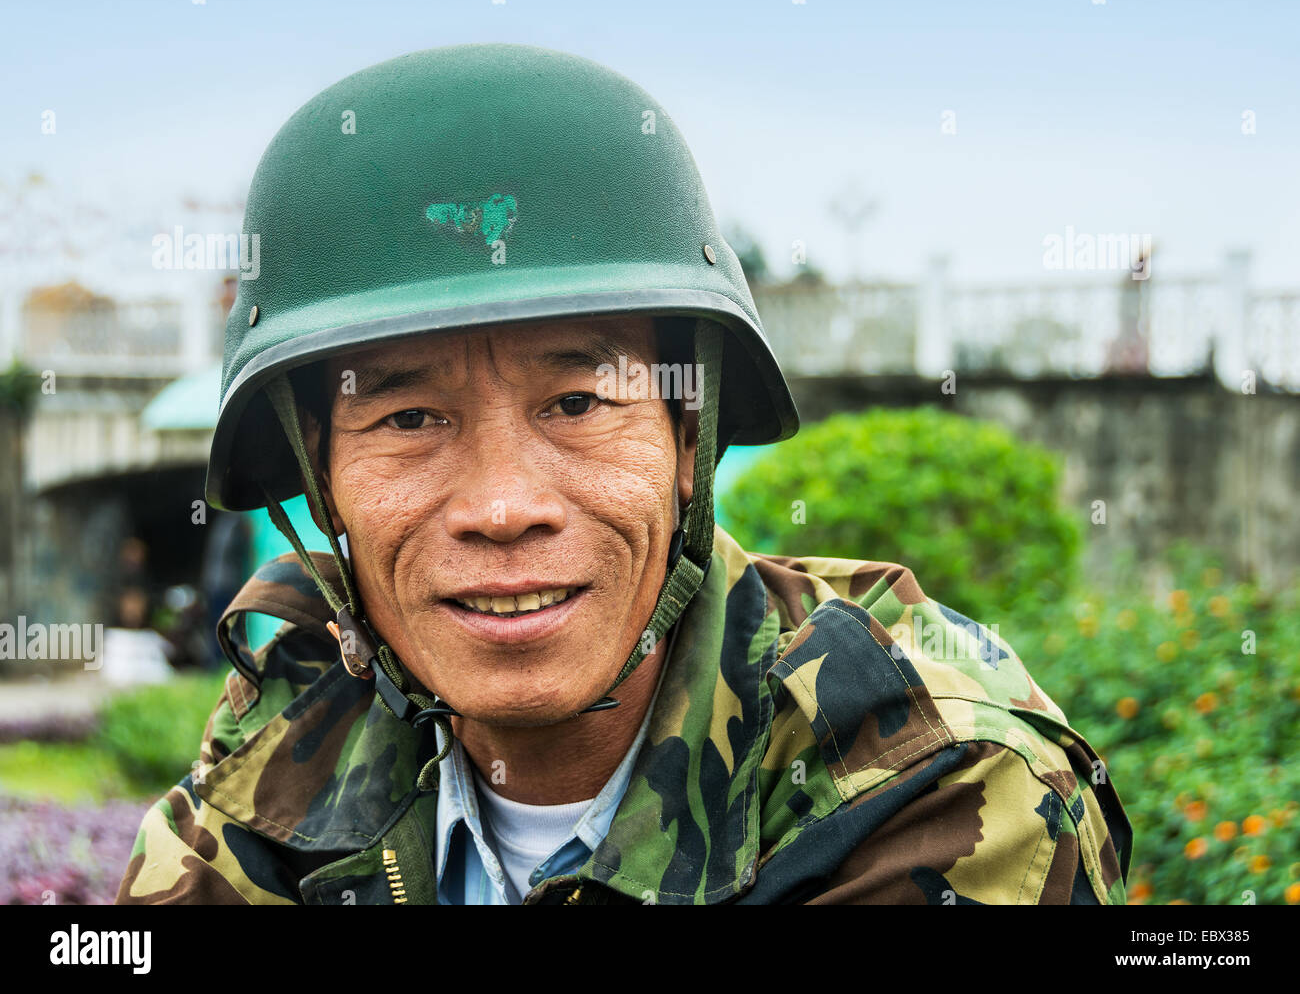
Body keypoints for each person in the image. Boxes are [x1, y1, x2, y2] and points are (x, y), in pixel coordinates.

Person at [116, 44, 1130, 905]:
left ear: (691, 436)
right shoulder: (290, 746)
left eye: (578, 403)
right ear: (322, 480)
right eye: (408, 417)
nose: (502, 507)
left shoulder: (927, 779)